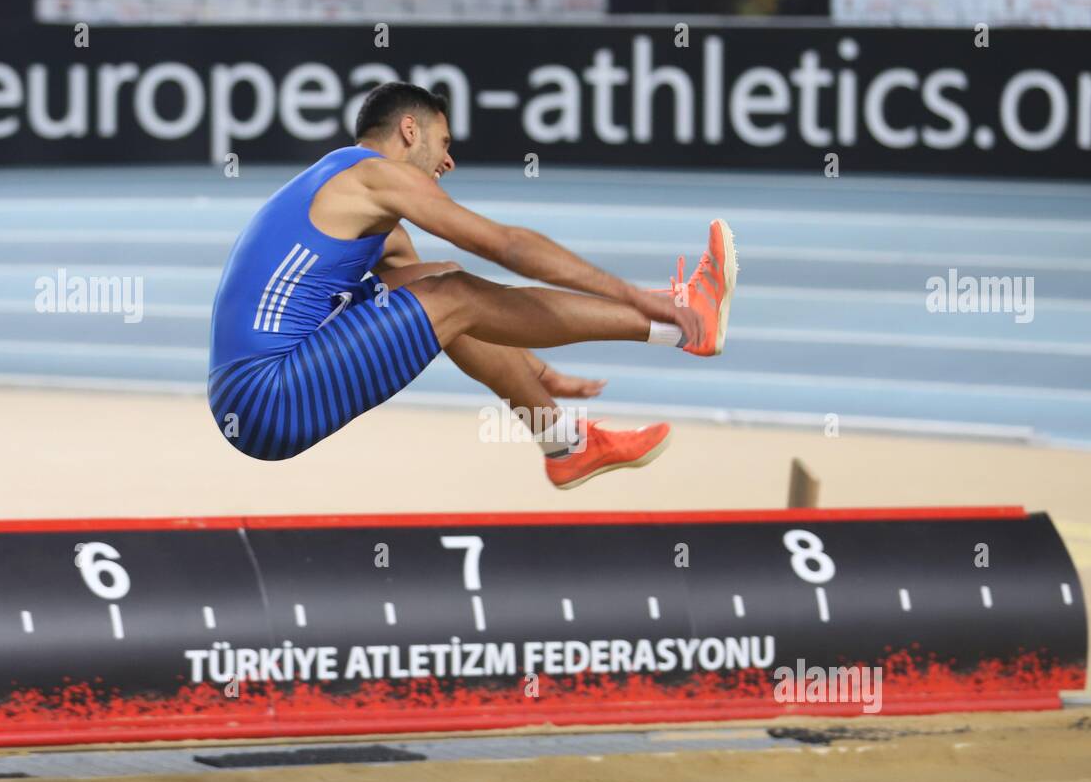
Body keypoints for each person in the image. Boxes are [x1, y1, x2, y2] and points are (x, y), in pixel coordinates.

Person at [208, 82, 737, 489]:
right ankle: (680, 321)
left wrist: (535, 370)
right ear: (409, 131)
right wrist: (635, 295)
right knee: (452, 293)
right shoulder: (369, 175)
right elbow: (505, 246)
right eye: (443, 142)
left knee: (443, 282)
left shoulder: (363, 207)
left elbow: (439, 317)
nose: (448, 161)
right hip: (264, 394)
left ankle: (564, 445)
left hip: (258, 390)